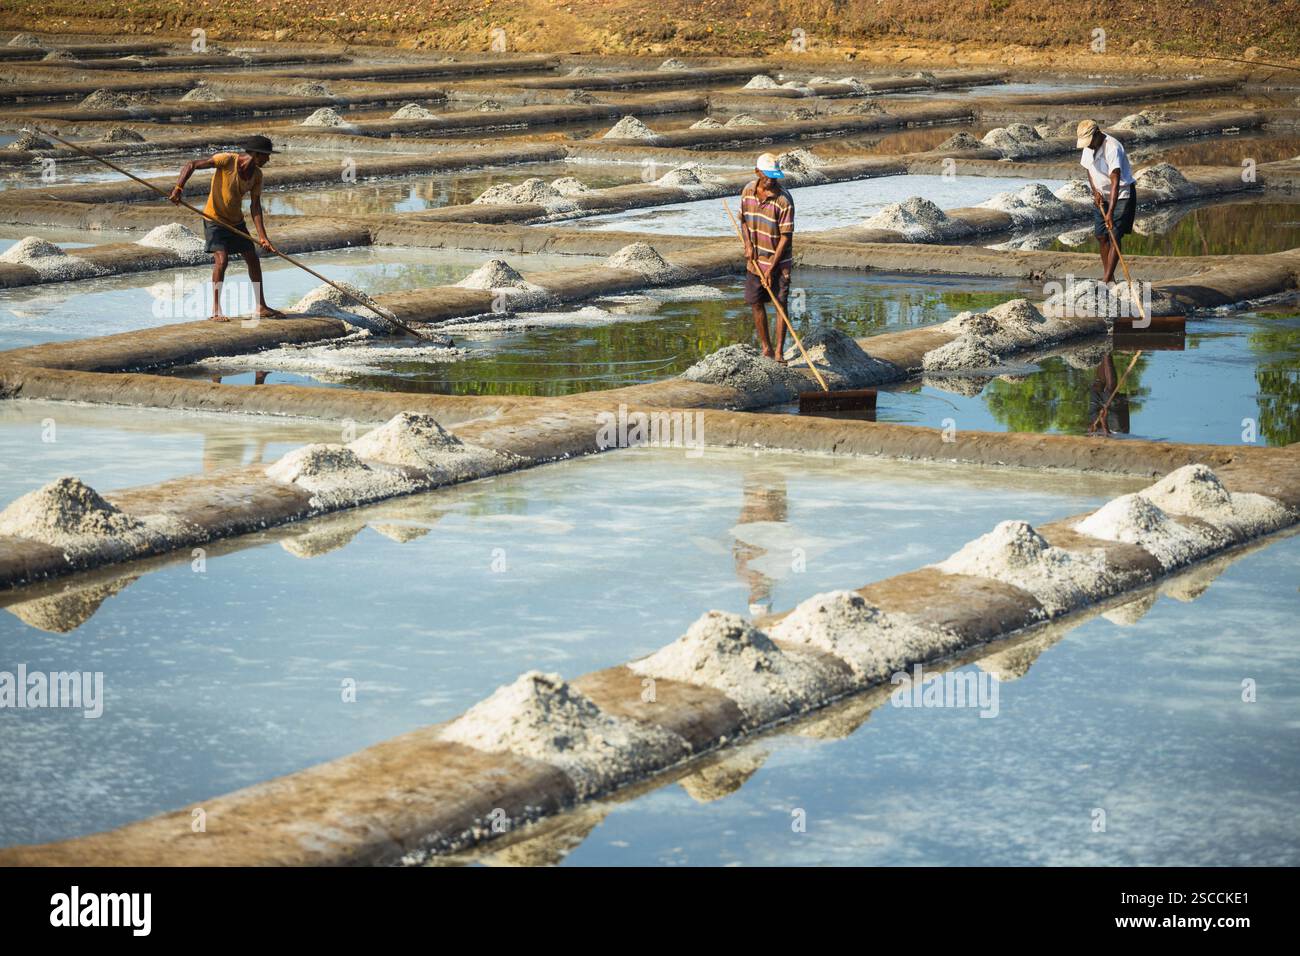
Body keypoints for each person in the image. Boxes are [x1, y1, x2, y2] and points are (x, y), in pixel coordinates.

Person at [169, 134, 283, 322]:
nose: (268, 159)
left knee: (253, 259)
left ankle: (261, 306)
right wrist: (178, 189)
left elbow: (255, 206)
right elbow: (192, 165)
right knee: (222, 261)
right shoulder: (227, 160)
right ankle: (215, 309)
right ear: (255, 154)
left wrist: (263, 237)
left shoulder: (257, 175)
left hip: (236, 221)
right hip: (214, 219)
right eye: (266, 156)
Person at [739, 152, 795, 363]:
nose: (772, 180)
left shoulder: (784, 200)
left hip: (778, 262)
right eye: (768, 176)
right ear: (757, 172)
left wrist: (771, 268)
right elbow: (743, 220)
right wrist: (747, 244)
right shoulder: (747, 192)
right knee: (755, 302)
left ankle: (779, 352)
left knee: (780, 303)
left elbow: (785, 238)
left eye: (775, 176)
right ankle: (766, 349)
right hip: (755, 260)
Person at [1076, 119, 1138, 285]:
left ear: (1097, 134)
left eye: (1090, 142)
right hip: (1101, 195)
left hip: (1121, 195)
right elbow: (1089, 169)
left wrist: (1110, 212)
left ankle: (1106, 280)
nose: (1088, 146)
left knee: (1114, 234)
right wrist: (1094, 190)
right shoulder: (1089, 148)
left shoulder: (1112, 148)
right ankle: (1109, 277)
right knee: (1101, 235)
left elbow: (1115, 181)